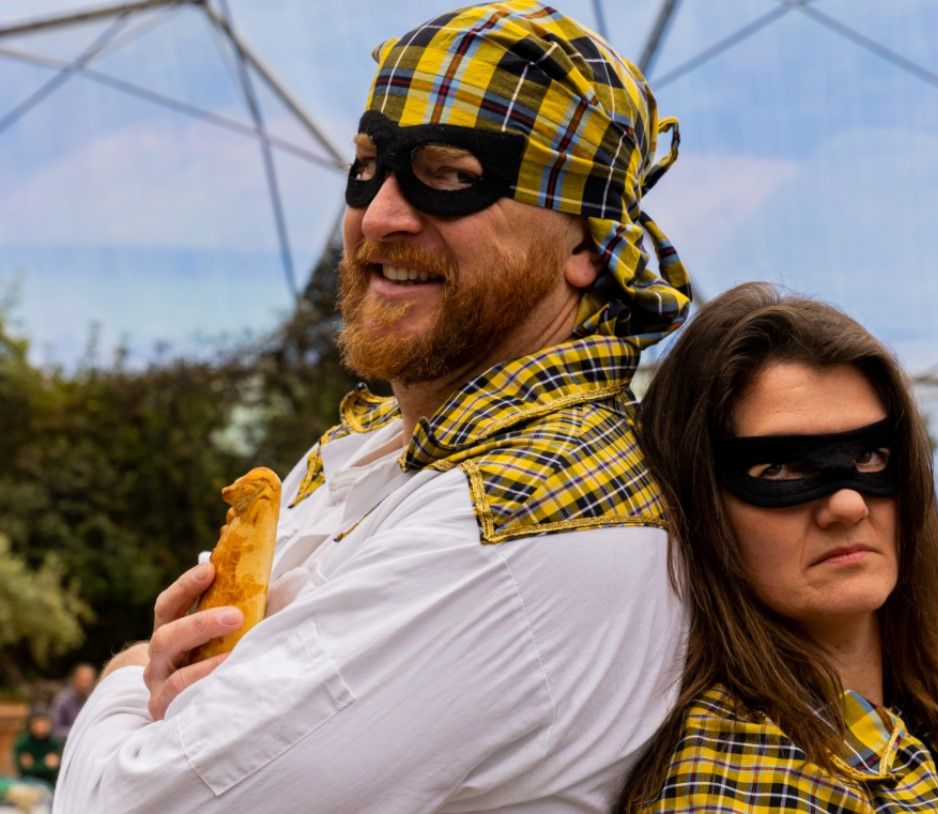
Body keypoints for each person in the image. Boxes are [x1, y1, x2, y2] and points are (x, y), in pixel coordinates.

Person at [56, 3, 690, 810]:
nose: (379, 216)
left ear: (590, 245)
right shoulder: (373, 445)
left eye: (452, 176)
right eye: (367, 166)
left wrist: (122, 678)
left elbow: (133, 803)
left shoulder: (520, 514)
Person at [619, 283, 938, 813]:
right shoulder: (729, 787)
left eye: (870, 456)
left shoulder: (925, 734)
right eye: (778, 468)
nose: (848, 505)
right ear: (701, 503)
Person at [13, 710, 60, 789]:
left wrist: (34, 764)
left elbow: (56, 768)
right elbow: (25, 770)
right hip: (28, 783)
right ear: (30, 725)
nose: (41, 727)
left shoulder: (54, 742)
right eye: (38, 723)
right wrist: (45, 763)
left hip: (51, 784)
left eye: (44, 723)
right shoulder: (23, 743)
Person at [48, 664, 93, 743]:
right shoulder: (62, 700)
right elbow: (54, 729)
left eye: (88, 681)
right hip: (66, 744)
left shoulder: (94, 699)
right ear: (74, 680)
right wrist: (78, 732)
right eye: (82, 680)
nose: (85, 685)